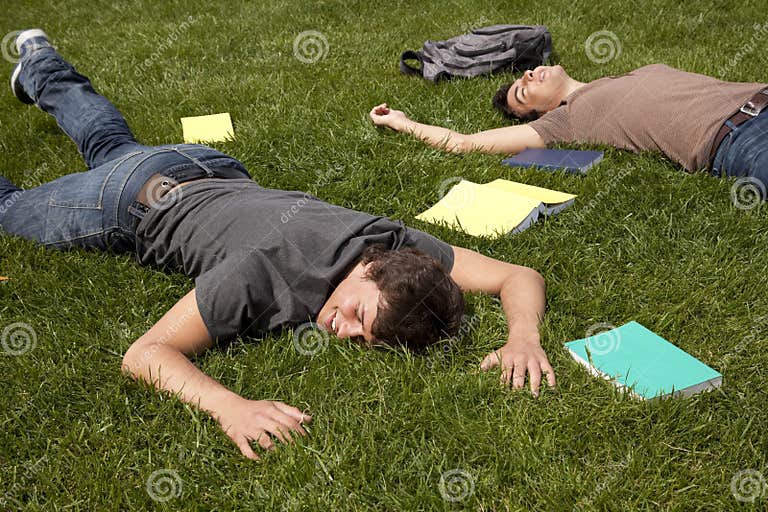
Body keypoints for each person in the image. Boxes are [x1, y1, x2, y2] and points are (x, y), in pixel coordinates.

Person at [1, 30, 556, 460]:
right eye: (358, 315)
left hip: (203, 164)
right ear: (370, 272)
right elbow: (145, 355)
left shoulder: (389, 244)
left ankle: (40, 61)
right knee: (9, 209)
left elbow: (519, 275)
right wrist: (229, 406)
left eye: (363, 338)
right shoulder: (263, 273)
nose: (342, 330)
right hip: (134, 200)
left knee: (110, 142)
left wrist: (523, 338)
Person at [370, 64, 768, 190]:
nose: (528, 75)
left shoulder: (619, 78)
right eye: (523, 91)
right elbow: (463, 143)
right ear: (540, 115)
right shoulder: (568, 119)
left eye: (524, 76)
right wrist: (402, 122)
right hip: (740, 137)